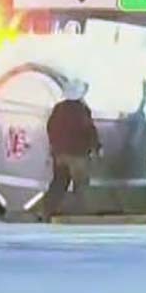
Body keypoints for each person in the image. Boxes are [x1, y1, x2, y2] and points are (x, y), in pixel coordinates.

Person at [38, 80, 99, 220]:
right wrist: (96, 147)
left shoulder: (58, 108)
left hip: (60, 154)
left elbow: (50, 128)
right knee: (81, 185)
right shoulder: (82, 110)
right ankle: (79, 213)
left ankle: (46, 211)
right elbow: (89, 129)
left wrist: (54, 147)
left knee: (58, 183)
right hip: (78, 154)